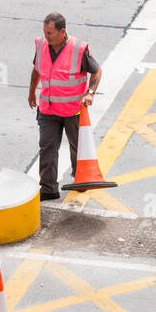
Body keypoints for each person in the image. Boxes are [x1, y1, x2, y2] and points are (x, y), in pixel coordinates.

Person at [28, 13, 102, 201]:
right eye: (45, 32)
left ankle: (80, 180)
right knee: (47, 148)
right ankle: (48, 188)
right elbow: (37, 68)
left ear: (62, 32)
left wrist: (90, 93)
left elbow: (97, 71)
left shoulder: (78, 49)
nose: (47, 37)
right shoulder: (42, 45)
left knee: (77, 147)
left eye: (50, 33)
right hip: (48, 110)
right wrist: (31, 92)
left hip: (72, 111)